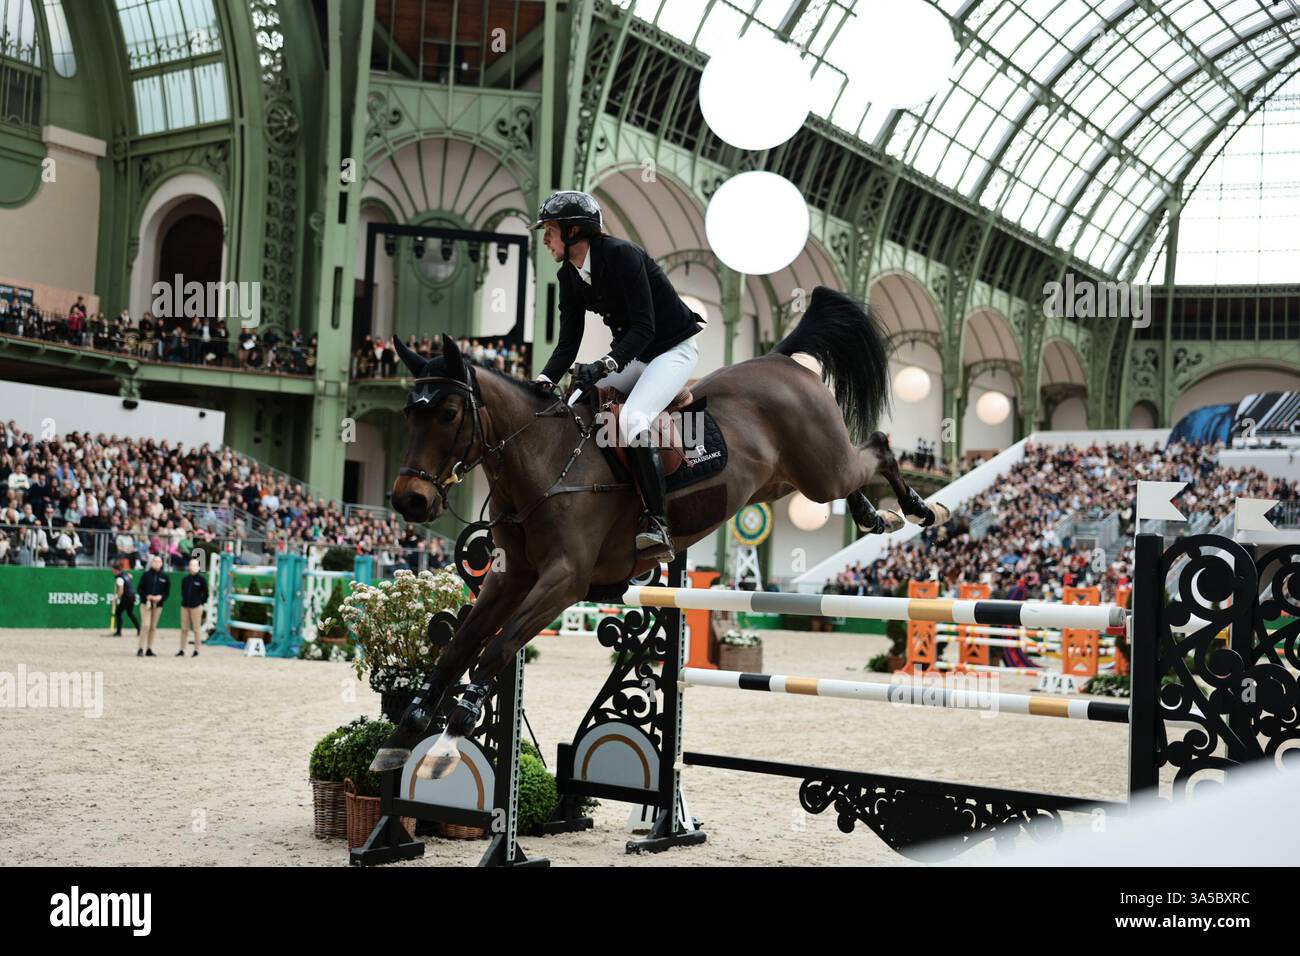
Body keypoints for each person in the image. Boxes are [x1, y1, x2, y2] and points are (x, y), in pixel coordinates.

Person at [529, 190, 705, 558]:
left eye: (549, 230)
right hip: (637, 356)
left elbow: (644, 327)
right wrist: (543, 381)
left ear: (574, 230)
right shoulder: (569, 276)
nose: (545, 239)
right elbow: (567, 344)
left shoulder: (622, 255)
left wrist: (606, 364)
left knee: (633, 419)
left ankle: (658, 524)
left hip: (672, 349)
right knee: (582, 400)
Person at [136, 554, 170, 657]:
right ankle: (140, 648)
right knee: (146, 625)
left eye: (159, 561)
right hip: (146, 604)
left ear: (162, 564)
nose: (157, 563)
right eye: (155, 561)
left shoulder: (165, 577)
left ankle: (149, 648)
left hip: (158, 605)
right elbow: (140, 589)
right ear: (152, 563)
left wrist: (160, 597)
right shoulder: (146, 575)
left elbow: (166, 592)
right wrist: (147, 596)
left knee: (153, 627)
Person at [177, 556, 208, 657]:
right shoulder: (185, 579)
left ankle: (197, 650)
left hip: (196, 607)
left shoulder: (202, 580)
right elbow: (182, 592)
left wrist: (199, 603)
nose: (193, 567)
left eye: (195, 565)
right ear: (189, 567)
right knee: (184, 629)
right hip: (185, 606)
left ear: (199, 567)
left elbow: (206, 594)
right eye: (191, 565)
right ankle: (182, 649)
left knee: (196, 629)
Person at [111, 558, 141, 639]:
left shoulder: (119, 578)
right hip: (132, 596)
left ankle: (118, 632)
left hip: (126, 597)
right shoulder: (126, 574)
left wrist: (116, 598)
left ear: (117, 570)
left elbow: (121, 590)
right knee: (130, 613)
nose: (112, 571)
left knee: (118, 613)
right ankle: (139, 629)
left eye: (113, 570)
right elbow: (131, 576)